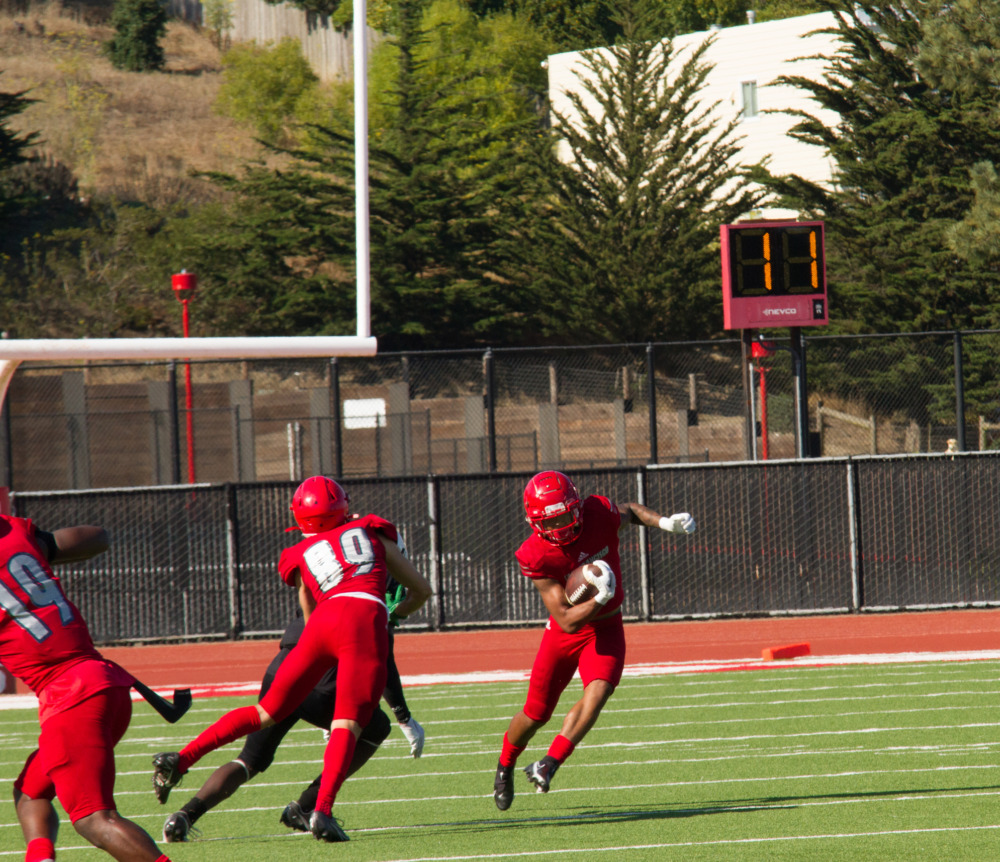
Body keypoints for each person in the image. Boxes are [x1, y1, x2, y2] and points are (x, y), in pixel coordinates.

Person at [151, 475, 432, 843]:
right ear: (343, 507)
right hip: (363, 619)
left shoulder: (300, 554)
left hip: (318, 629)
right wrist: (395, 614)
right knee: (349, 724)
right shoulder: (372, 531)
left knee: (264, 712)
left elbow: (310, 611)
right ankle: (321, 811)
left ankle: (182, 758)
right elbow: (420, 590)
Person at [492, 470, 695, 811]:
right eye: (553, 520)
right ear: (535, 522)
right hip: (565, 634)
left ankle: (550, 762)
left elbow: (630, 511)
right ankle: (505, 763)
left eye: (568, 514)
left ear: (578, 506)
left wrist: (664, 523)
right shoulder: (535, 553)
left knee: (599, 690)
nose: (563, 525)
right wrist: (599, 597)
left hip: (606, 628)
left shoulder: (598, 513)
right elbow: (566, 620)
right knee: (536, 713)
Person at [161, 603, 424, 842]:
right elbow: (383, 656)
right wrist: (404, 716)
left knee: (250, 759)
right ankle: (309, 806)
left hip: (285, 667)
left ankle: (184, 815)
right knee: (374, 727)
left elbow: (306, 598)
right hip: (323, 677)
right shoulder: (370, 584)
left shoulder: (320, 561)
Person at [0, 514, 175, 862]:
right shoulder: (13, 531)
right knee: (30, 791)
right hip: (105, 681)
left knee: (95, 820)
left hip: (69, 697)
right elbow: (97, 537)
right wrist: (42, 549)